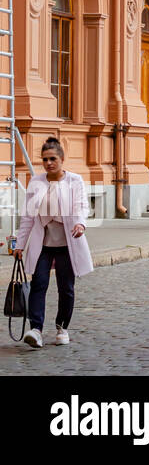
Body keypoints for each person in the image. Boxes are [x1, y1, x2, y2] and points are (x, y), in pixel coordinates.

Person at [14, 138, 93, 348]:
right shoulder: (36, 182)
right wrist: (20, 245)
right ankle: (36, 330)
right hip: (43, 246)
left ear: (62, 159)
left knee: (66, 288)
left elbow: (81, 207)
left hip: (68, 245)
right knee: (38, 284)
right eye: (45, 159)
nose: (49, 163)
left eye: (53, 159)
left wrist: (80, 224)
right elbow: (28, 217)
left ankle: (62, 327)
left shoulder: (74, 181)